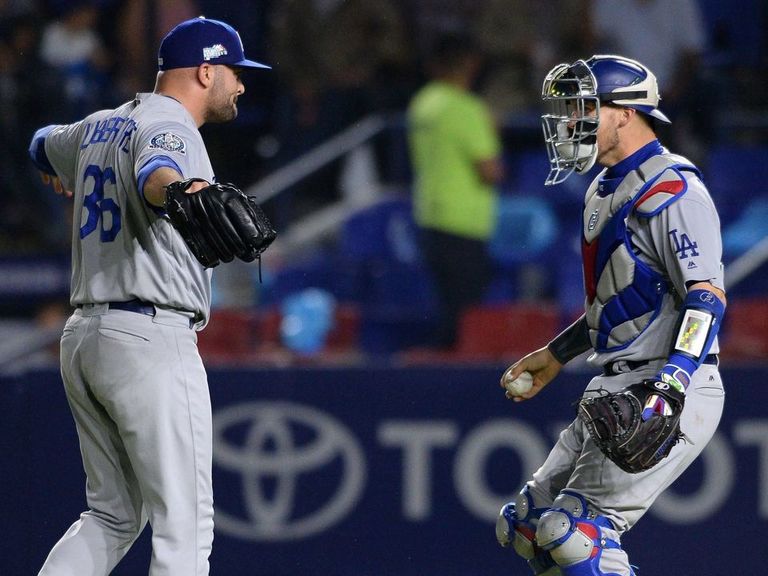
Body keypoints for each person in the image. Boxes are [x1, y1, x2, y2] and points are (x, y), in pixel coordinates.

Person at [28, 17, 271, 575]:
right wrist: (181, 190)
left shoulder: (101, 123)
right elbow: (155, 173)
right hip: (148, 338)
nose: (241, 85)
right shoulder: (174, 125)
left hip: (85, 335)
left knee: (112, 517)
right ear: (205, 70)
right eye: (234, 72)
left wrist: (53, 166)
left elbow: (40, 143)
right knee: (185, 526)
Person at [495, 55, 726, 575]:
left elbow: (706, 297)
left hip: (666, 385)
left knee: (573, 532)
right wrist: (556, 355)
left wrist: (672, 384)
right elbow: (617, 300)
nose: (570, 123)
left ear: (624, 112)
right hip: (614, 385)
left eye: (583, 109)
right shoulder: (602, 188)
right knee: (528, 523)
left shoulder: (674, 188)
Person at [407, 31, 504, 349]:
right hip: (464, 222)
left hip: (429, 215)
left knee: (444, 311)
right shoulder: (467, 108)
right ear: (471, 65)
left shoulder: (422, 104)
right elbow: (490, 171)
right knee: (462, 320)